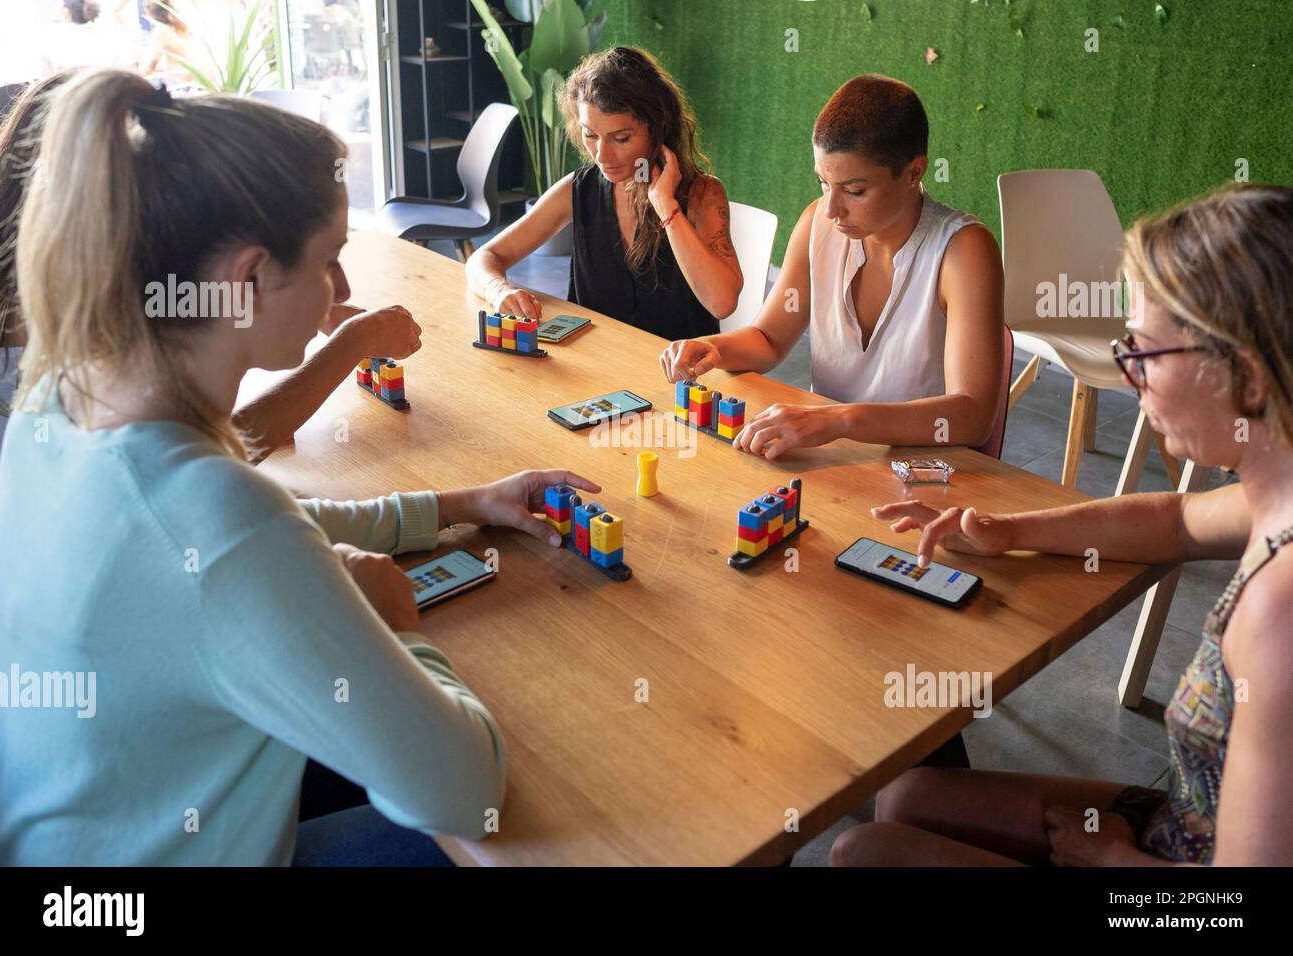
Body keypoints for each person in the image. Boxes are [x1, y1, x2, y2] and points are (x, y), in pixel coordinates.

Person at [0, 69, 599, 865]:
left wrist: (463, 503)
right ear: (246, 281)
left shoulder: (55, 396)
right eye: (328, 261)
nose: (341, 291)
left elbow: (263, 536)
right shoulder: (210, 513)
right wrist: (402, 626)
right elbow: (462, 789)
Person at [831, 184, 1293, 867]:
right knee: (906, 798)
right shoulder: (1273, 496)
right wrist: (1008, 530)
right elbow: (1176, 522)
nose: (1130, 379)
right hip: (1192, 820)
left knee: (864, 852)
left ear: (1247, 380)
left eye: (1143, 355)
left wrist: (1105, 858)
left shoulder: (1279, 616)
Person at [0, 73, 421, 500]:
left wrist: (299, 298)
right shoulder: (49, 362)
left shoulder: (82, 295)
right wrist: (347, 345)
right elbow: (202, 460)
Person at [659, 73, 1004, 459]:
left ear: (914, 172)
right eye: (824, 183)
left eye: (855, 191)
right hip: (831, 454)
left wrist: (840, 420)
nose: (832, 209)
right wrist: (711, 348)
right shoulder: (817, 224)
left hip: (925, 471)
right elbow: (769, 339)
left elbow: (973, 415)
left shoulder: (963, 251)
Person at [465, 46, 742, 341]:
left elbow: (722, 303)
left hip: (678, 376)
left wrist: (665, 206)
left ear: (657, 126)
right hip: (598, 367)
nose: (602, 154)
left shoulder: (702, 194)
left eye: (621, 138)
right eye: (590, 135)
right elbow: (485, 257)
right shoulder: (579, 189)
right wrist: (499, 291)